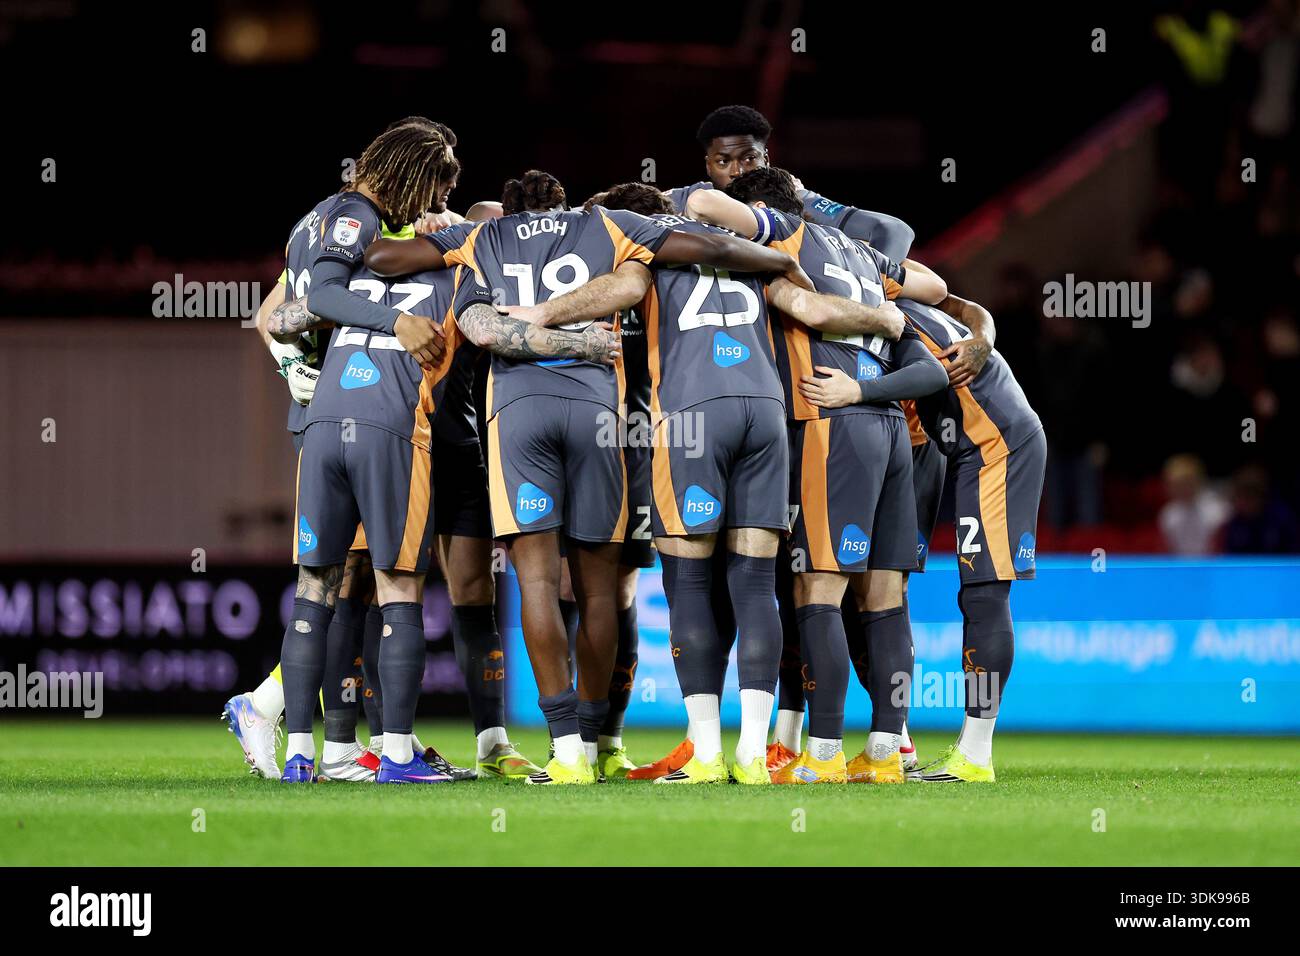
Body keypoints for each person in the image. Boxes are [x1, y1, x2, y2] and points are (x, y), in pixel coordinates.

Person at [365, 174, 812, 784]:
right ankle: (607, 739)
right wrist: (777, 257)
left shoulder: (482, 237)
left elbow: (390, 262)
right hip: (606, 421)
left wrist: (427, 224)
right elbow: (709, 248)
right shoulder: (605, 227)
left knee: (540, 585)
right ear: (566, 203)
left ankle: (566, 751)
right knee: (606, 592)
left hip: (518, 416)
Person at [502, 181, 909, 784]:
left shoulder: (647, 254)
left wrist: (541, 313)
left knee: (689, 581)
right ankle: (754, 753)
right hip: (768, 412)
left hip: (691, 416)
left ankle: (706, 753)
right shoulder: (750, 251)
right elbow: (814, 306)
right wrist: (887, 318)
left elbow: (615, 305)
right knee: (754, 587)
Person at [690, 167, 949, 783]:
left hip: (830, 417)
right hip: (889, 423)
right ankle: (886, 754)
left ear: (758, 208)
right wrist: (881, 316)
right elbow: (933, 288)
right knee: (883, 600)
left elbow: (704, 202)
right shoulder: (861, 249)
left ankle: (824, 756)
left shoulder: (783, 231)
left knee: (818, 593)